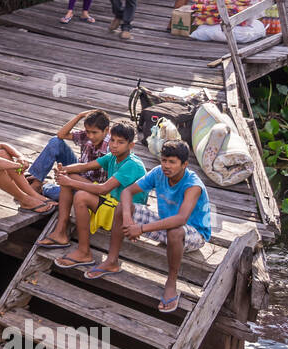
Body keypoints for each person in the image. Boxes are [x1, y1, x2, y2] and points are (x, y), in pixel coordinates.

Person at [85, 140, 213, 313]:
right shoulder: (158, 172)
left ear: (185, 164)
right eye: (164, 160)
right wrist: (128, 219)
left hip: (192, 234)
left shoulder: (193, 185)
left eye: (172, 162)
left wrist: (142, 229)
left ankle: (171, 282)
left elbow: (181, 219)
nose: (166, 166)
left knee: (175, 231)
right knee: (122, 207)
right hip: (164, 223)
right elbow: (127, 191)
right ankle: (112, 261)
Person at [33, 122, 146, 271]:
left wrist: (69, 181)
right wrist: (64, 170)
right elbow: (84, 166)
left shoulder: (132, 164)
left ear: (131, 145)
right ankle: (60, 232)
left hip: (124, 212)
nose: (114, 145)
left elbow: (103, 189)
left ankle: (84, 251)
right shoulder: (112, 156)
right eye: (112, 140)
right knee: (71, 176)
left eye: (120, 142)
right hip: (111, 201)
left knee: (80, 196)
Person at [25, 108, 111, 200]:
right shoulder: (87, 135)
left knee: (59, 194)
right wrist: (80, 116)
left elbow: (89, 172)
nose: (90, 136)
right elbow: (61, 135)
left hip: (91, 187)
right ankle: (37, 183)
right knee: (55, 141)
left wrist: (67, 173)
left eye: (94, 132)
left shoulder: (111, 146)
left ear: (106, 130)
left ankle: (45, 187)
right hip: (78, 171)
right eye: (88, 131)